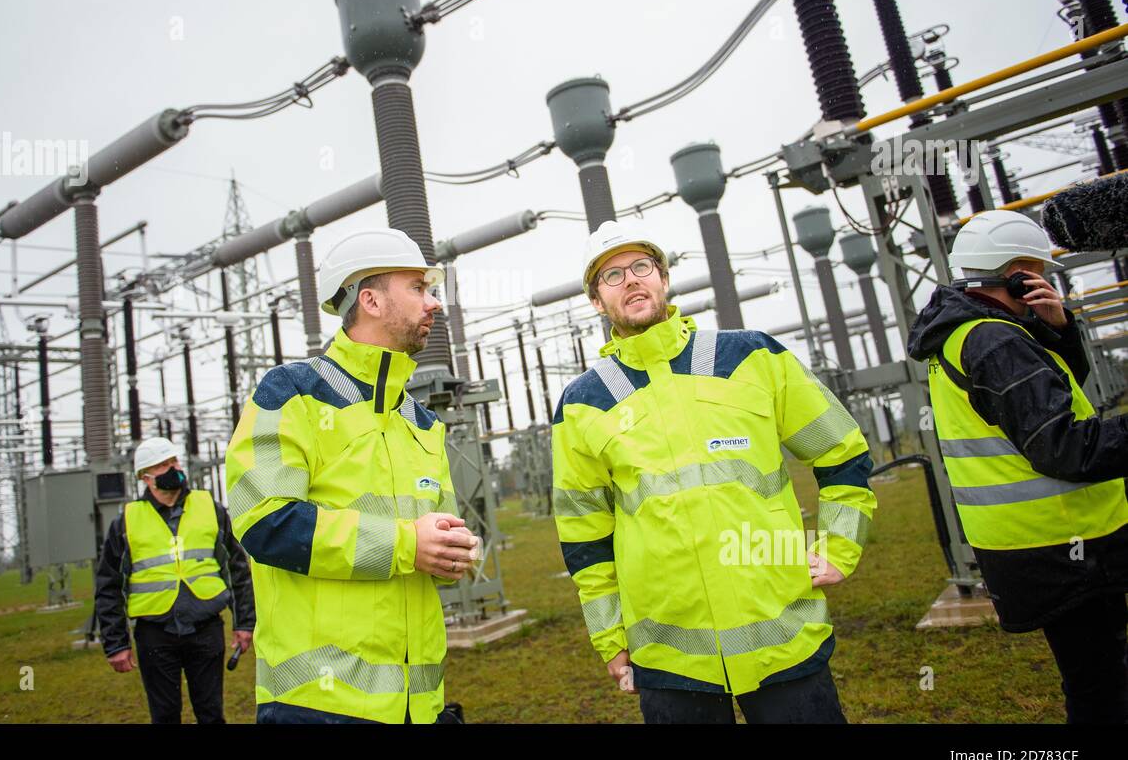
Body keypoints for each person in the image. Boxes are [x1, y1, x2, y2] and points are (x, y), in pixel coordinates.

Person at [552, 220, 876, 724]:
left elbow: (841, 451)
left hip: (782, 636)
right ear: (596, 302)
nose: (631, 280)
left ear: (663, 278)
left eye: (641, 266)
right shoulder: (582, 404)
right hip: (669, 658)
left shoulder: (753, 356)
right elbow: (584, 536)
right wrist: (611, 639)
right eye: (612, 276)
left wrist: (839, 545)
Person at [225, 227, 479, 724]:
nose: (434, 304)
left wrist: (456, 553)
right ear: (371, 300)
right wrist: (408, 545)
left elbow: (437, 535)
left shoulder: (422, 423)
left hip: (418, 705)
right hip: (318, 704)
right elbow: (265, 523)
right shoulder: (292, 393)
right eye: (418, 289)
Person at [907, 208, 1128, 724]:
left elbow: (1046, 397)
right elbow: (1064, 446)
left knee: (1098, 677)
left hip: (1033, 545)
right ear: (1017, 276)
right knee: (1102, 687)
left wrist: (1059, 332)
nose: (1047, 284)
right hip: (1063, 544)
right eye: (1040, 273)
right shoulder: (997, 342)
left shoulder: (968, 332)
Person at [94, 436, 255, 723]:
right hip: (155, 633)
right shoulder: (127, 522)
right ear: (145, 478)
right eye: (162, 466)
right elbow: (109, 586)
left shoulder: (211, 509)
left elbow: (237, 568)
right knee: (165, 716)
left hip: (206, 628)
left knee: (211, 713)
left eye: (173, 462)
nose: (172, 469)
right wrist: (116, 643)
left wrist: (244, 623)